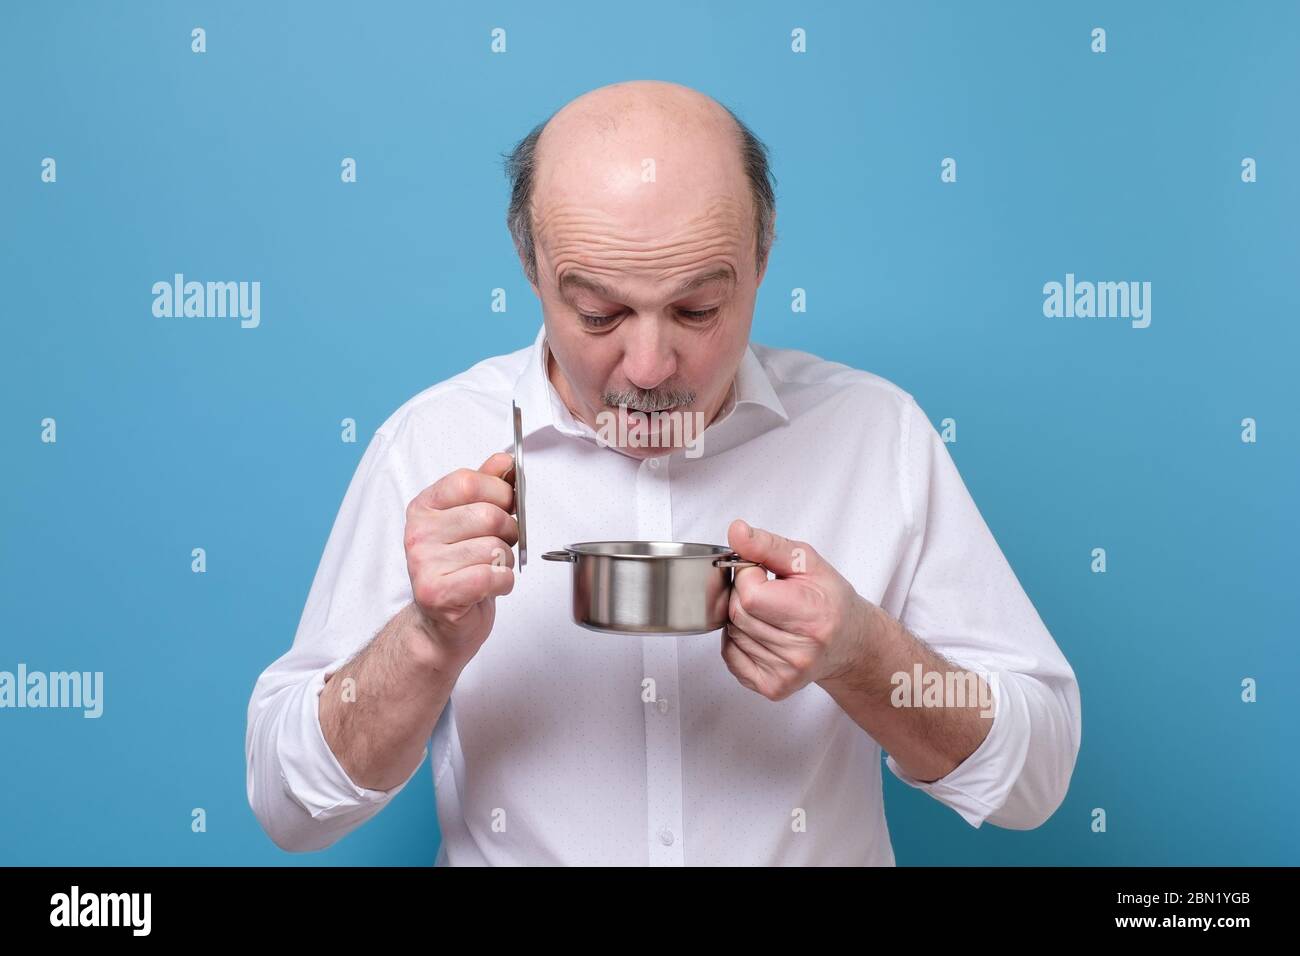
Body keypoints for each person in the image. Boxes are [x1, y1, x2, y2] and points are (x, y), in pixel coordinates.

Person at [245, 79, 1081, 865]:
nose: (648, 368)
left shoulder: (876, 433)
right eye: (600, 313)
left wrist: (864, 657)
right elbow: (289, 805)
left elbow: (1034, 780)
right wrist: (423, 643)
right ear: (530, 265)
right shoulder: (429, 443)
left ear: (763, 254)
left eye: (697, 310)